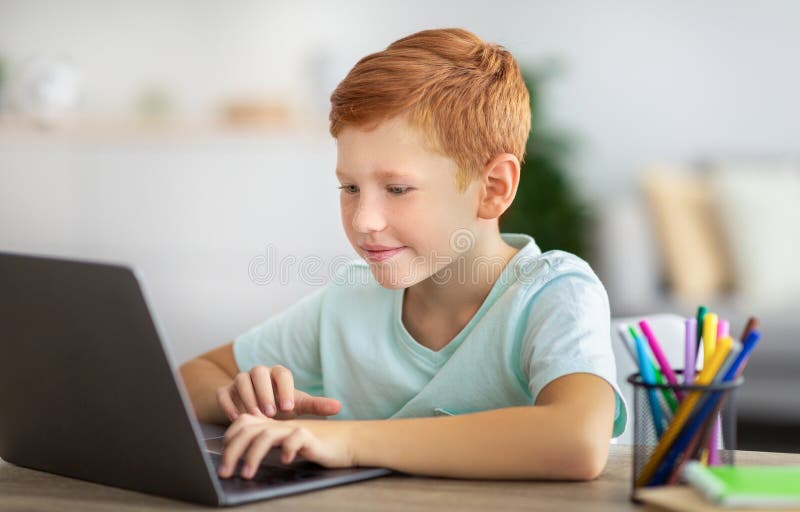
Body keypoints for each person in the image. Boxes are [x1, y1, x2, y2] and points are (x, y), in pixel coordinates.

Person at [179, 27, 627, 482]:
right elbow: (192, 376)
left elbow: (578, 440)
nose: (363, 221)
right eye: (350, 188)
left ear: (493, 188)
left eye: (397, 189)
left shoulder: (552, 294)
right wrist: (236, 398)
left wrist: (349, 441)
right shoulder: (349, 301)